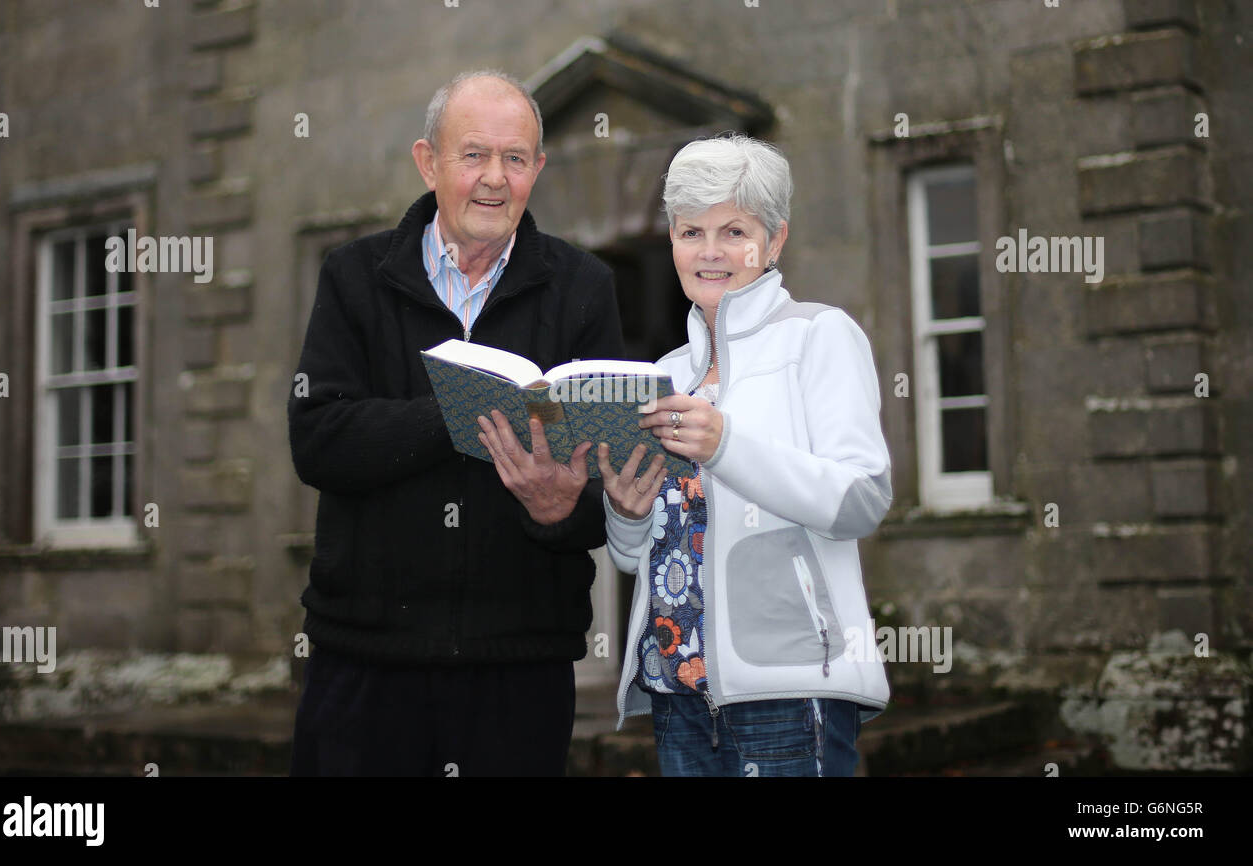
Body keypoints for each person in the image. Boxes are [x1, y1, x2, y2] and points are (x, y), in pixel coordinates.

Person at [287, 70, 625, 776]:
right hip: (364, 663)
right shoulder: (353, 275)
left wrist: (559, 508)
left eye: (515, 158)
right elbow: (320, 441)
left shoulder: (584, 288)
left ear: (538, 168)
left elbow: (610, 497)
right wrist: (462, 408)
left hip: (520, 671)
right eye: (473, 155)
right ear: (428, 162)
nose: (494, 179)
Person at [598, 134, 894, 777]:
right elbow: (633, 557)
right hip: (677, 690)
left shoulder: (821, 336)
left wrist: (726, 444)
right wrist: (625, 512)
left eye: (734, 230)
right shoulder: (663, 375)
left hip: (789, 686)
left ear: (776, 240)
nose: (709, 252)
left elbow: (862, 500)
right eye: (689, 231)